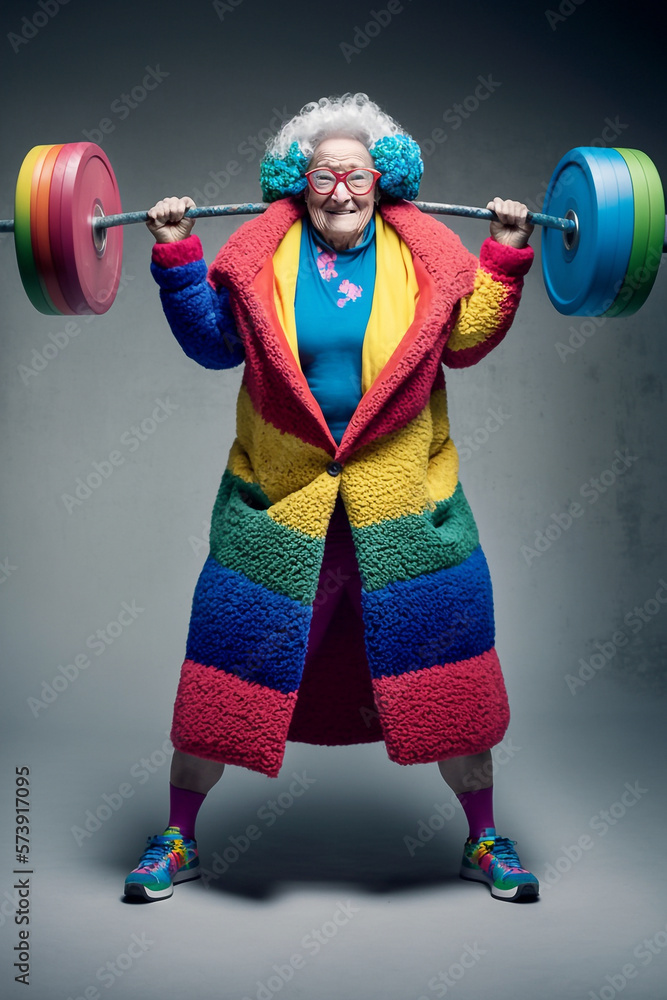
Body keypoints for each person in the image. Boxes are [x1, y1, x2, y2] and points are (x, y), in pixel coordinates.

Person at [123, 93, 539, 904]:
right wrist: (176, 254)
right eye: (323, 175)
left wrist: (505, 254)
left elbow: (463, 340)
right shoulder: (261, 258)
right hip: (281, 503)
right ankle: (176, 836)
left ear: (381, 182)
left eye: (356, 175)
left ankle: (483, 838)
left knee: (446, 677)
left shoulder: (421, 255)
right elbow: (212, 345)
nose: (340, 191)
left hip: (404, 504)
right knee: (224, 674)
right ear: (298, 180)